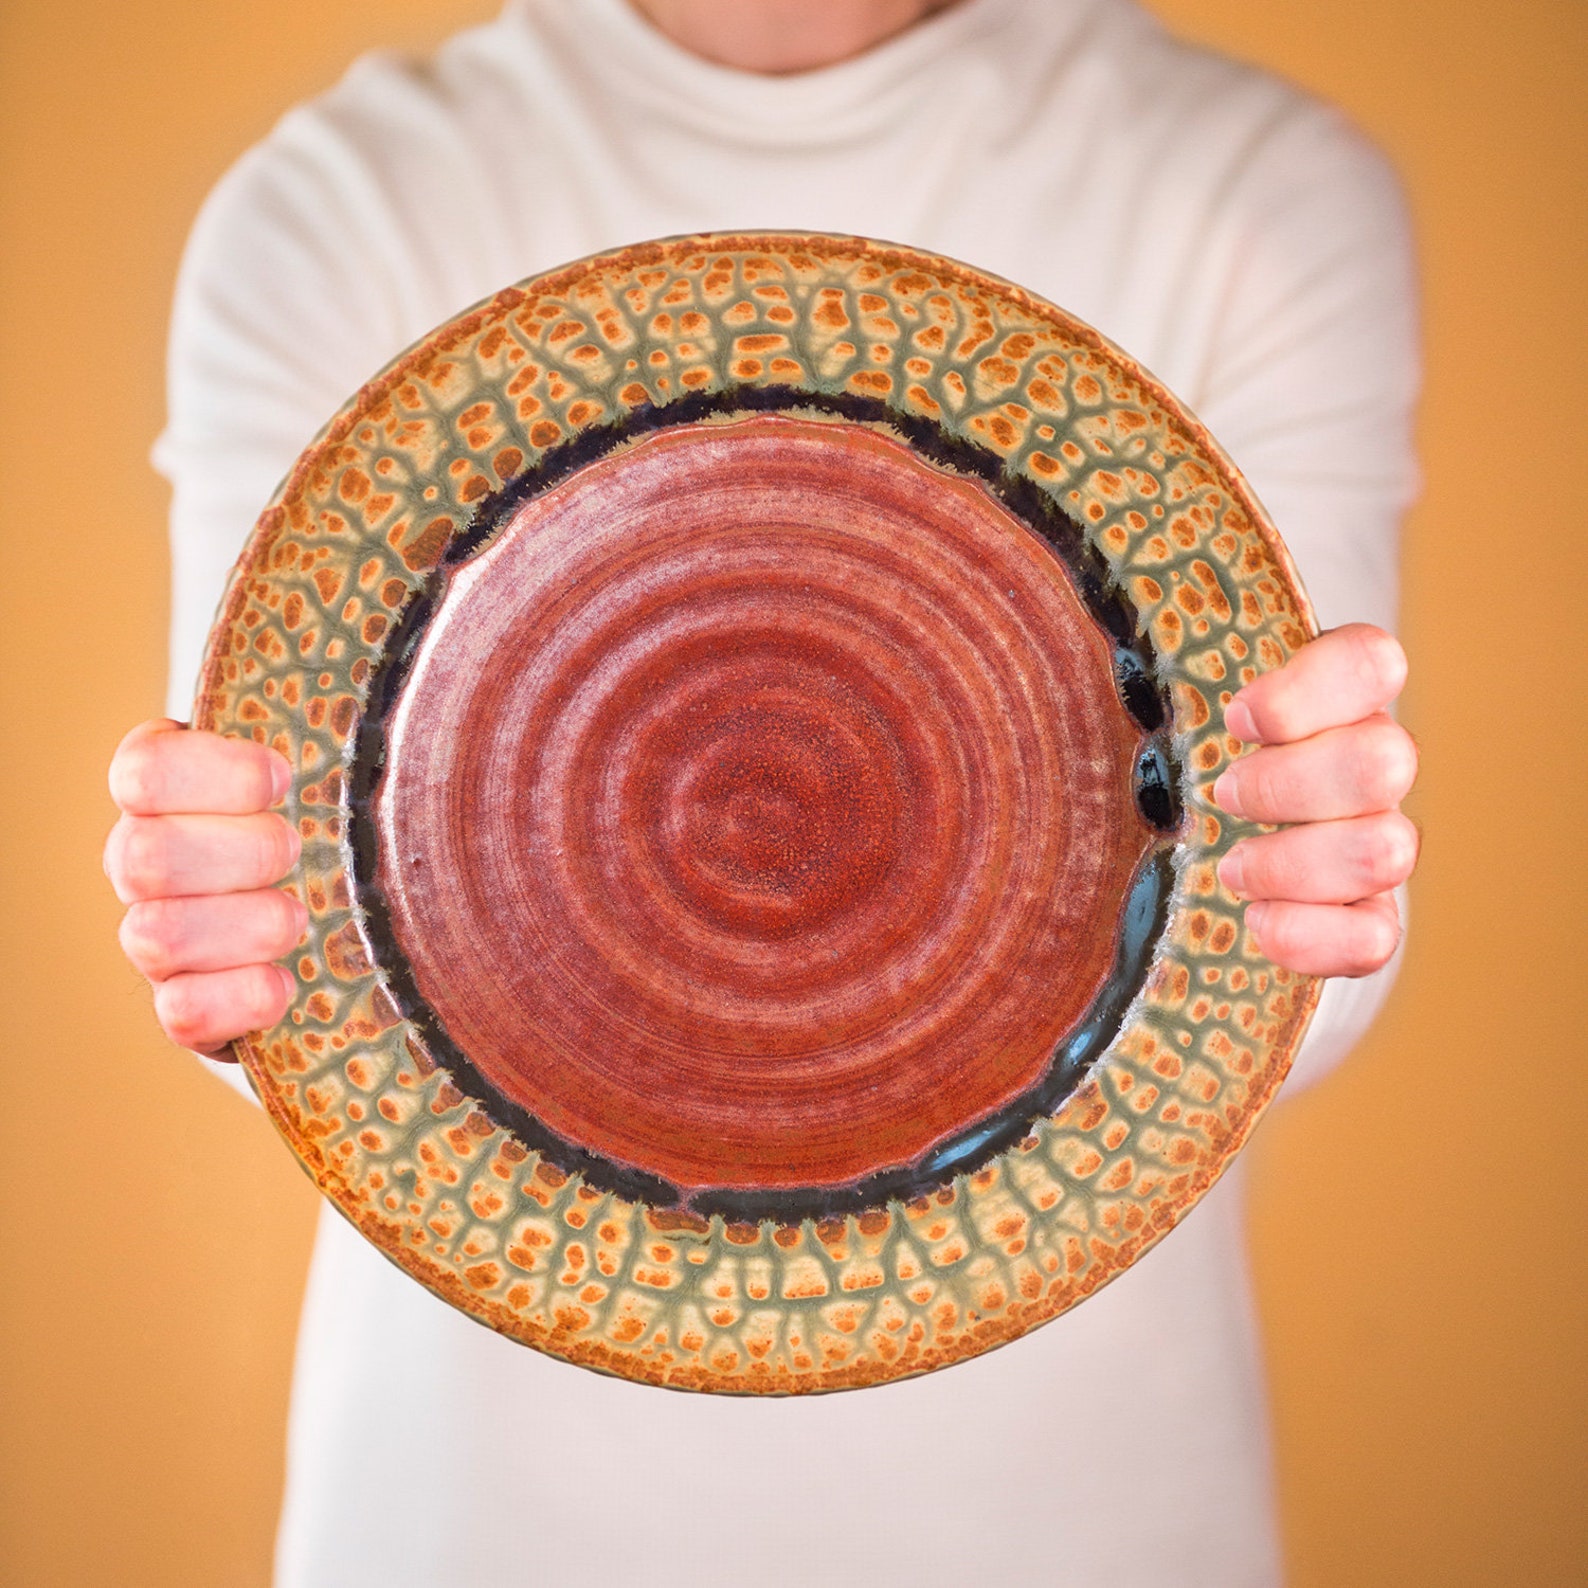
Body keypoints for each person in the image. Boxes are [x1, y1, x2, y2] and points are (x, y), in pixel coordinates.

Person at [103, 2, 1421, 1583]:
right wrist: (233, 946)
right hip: (476, 1516)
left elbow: (1287, 950)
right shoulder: (343, 194)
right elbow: (285, 945)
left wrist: (1325, 899)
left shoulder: (1249, 186)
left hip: (1072, 1517)